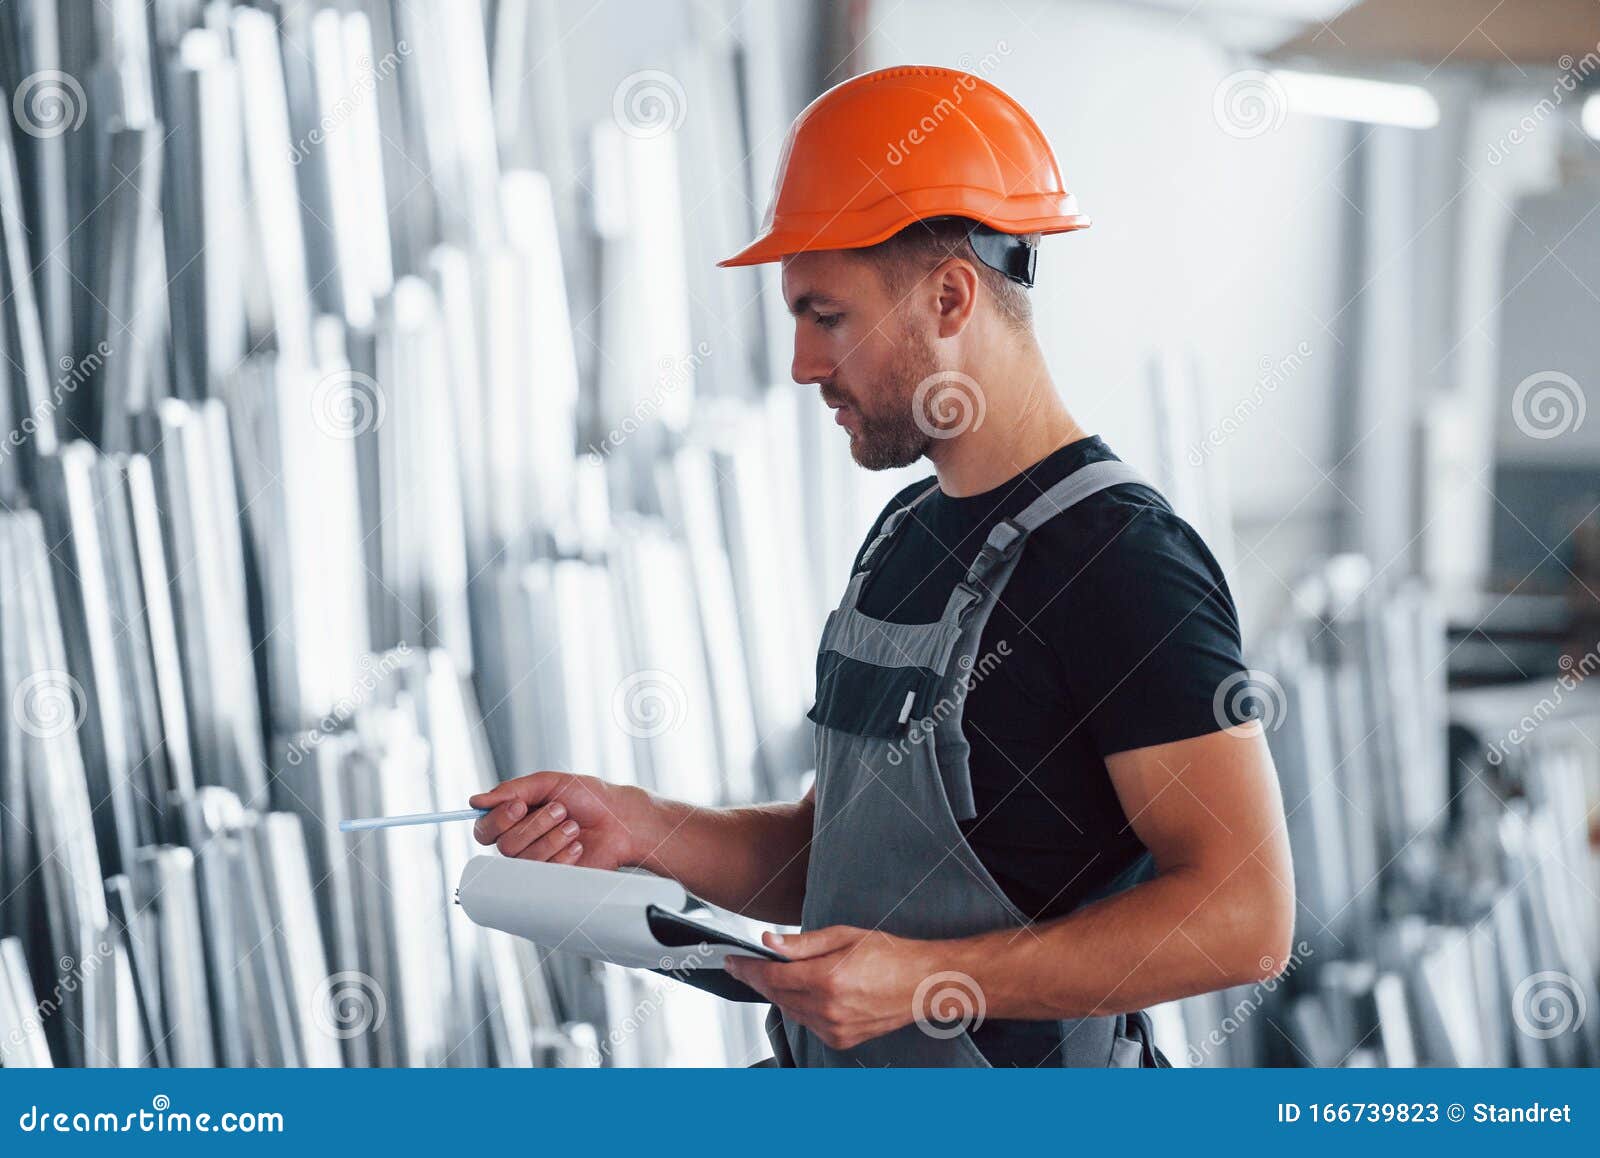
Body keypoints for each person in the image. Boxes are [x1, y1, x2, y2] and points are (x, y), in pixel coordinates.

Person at [472, 65, 1295, 1067]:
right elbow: (839, 861)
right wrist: (644, 829)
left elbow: (1245, 917)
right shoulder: (905, 537)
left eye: (827, 317)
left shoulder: (1122, 564)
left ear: (948, 298)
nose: (801, 365)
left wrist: (926, 982)